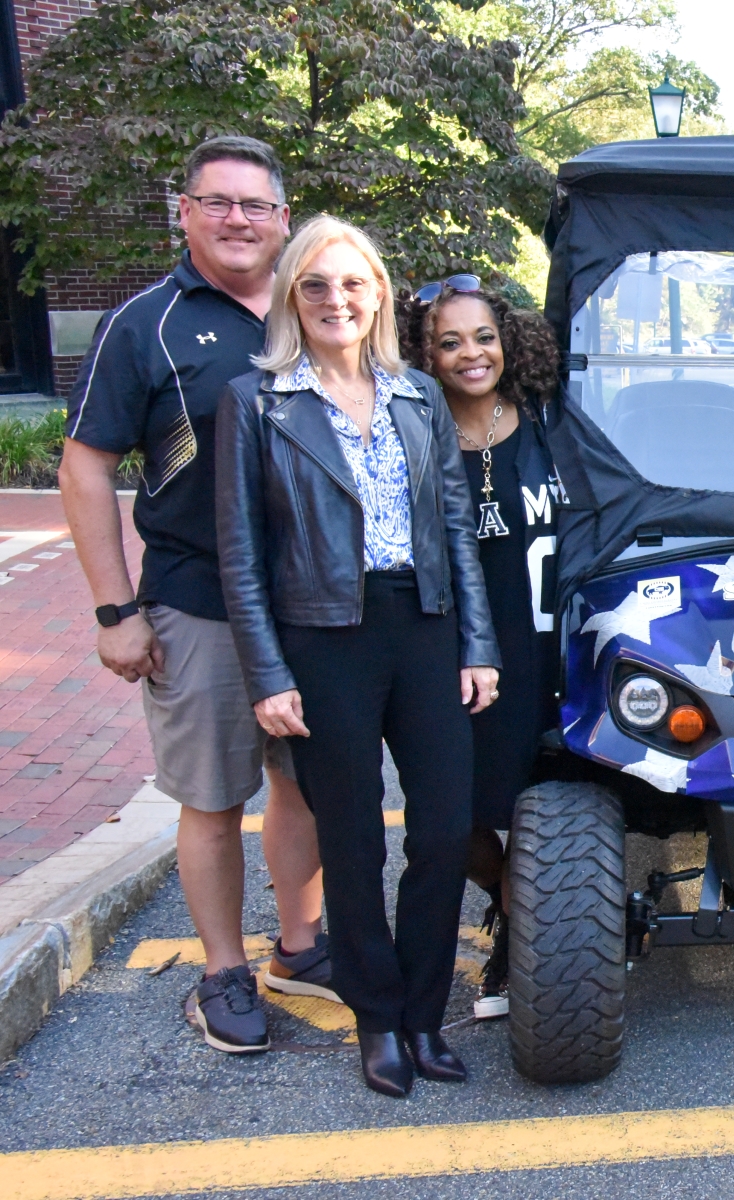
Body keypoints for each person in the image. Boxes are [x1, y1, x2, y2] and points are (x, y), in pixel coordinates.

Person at [215, 215, 500, 1097]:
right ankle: (376, 1020)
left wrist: (477, 645)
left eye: (352, 284)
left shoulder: (416, 395)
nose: (336, 300)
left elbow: (455, 529)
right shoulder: (256, 402)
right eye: (315, 285)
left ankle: (422, 1013)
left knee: (446, 830)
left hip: (423, 625)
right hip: (320, 636)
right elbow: (241, 551)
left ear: (377, 292)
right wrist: (267, 673)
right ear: (294, 298)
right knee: (351, 840)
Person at [60, 136, 333, 1056]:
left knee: (304, 788)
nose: (238, 220)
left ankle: (301, 947)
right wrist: (114, 609)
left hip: (313, 605)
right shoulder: (146, 324)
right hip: (198, 600)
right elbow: (86, 467)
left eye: (256, 205)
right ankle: (223, 972)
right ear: (183, 213)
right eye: (217, 202)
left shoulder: (317, 306)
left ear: (283, 219)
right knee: (215, 797)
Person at [399, 277, 563, 1021]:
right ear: (424, 355)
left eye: (484, 336)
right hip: (460, 650)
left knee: (545, 795)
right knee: (453, 808)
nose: (472, 354)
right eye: (450, 341)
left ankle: (529, 938)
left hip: (550, 643)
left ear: (509, 340)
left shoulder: (550, 421)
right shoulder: (411, 432)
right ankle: (513, 903)